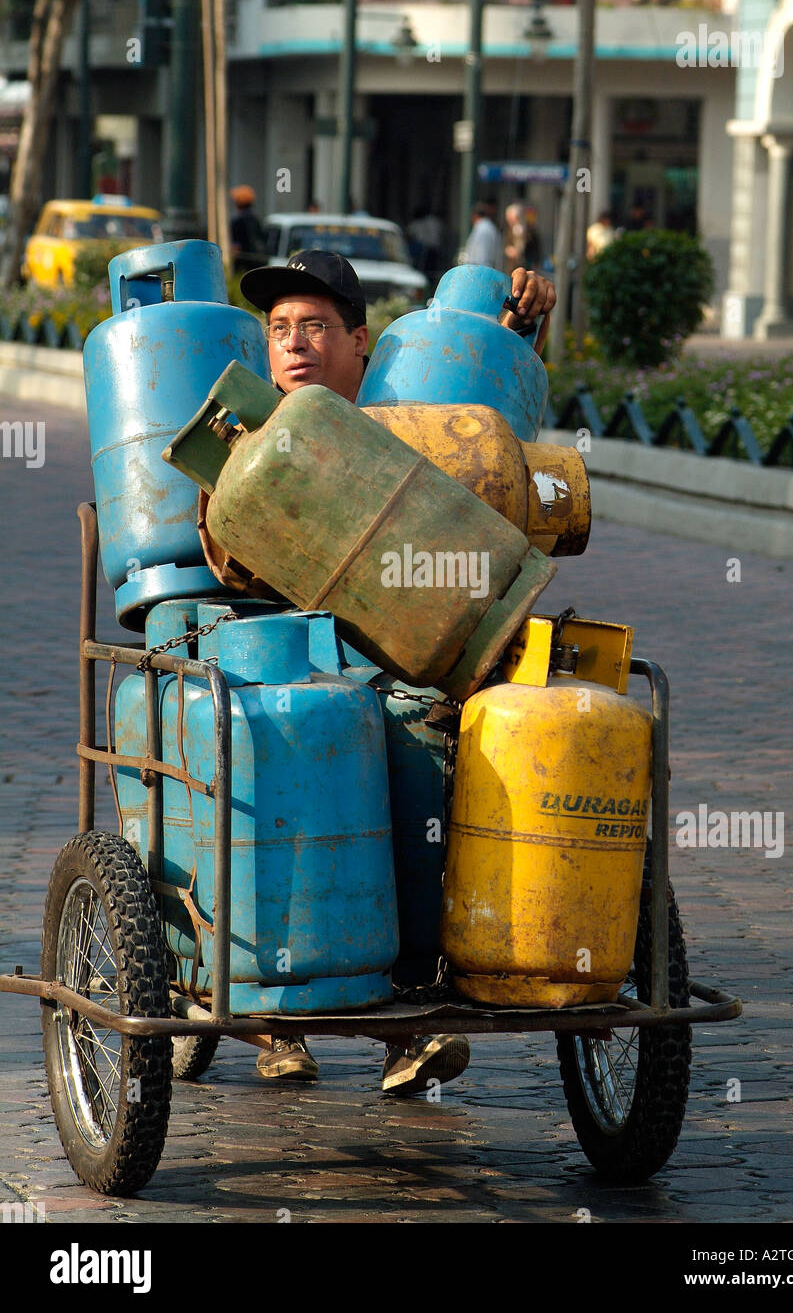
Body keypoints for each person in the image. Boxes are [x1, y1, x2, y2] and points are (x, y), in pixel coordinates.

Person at [199, 249, 556, 1094]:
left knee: (417, 742)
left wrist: (519, 330)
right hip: (276, 657)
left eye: (315, 327)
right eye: (280, 329)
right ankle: (272, 1010)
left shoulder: (409, 432)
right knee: (288, 746)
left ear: (361, 343)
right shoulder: (241, 434)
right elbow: (220, 557)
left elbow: (490, 463)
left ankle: (411, 1009)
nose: (294, 344)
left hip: (394, 665)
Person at [229, 185, 266, 272]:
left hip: (243, 260)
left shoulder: (237, 221)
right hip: (256, 260)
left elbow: (237, 245)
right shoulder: (255, 220)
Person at [460, 201, 502, 269]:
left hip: (481, 270)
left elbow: (482, 256)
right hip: (484, 268)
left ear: (475, 215)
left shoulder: (483, 229)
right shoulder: (487, 227)